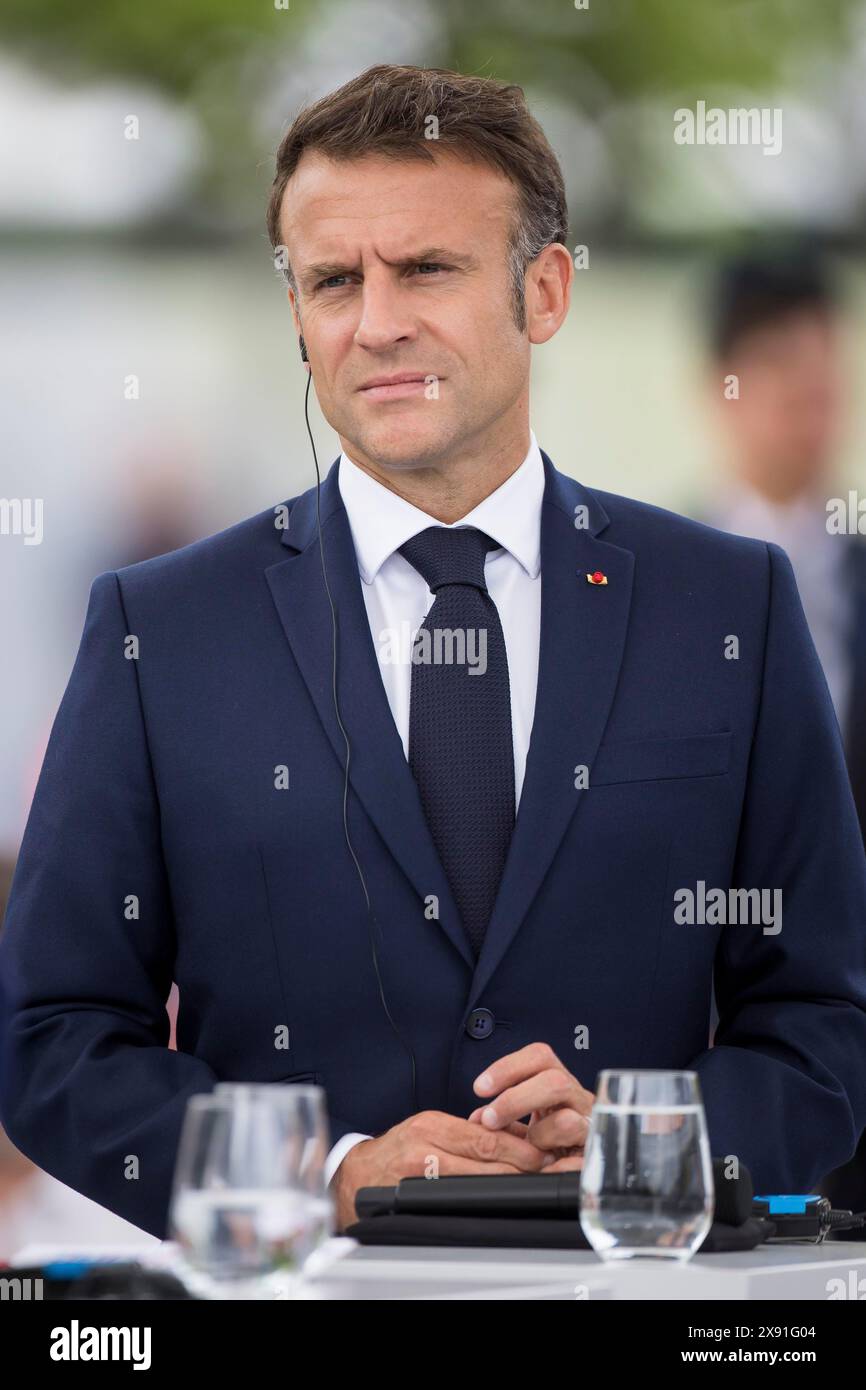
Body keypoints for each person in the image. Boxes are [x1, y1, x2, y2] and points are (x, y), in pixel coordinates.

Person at [1, 65, 865, 1240]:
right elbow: (53, 1041)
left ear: (544, 291)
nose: (376, 321)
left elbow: (825, 1016)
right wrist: (325, 1168)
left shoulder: (729, 605)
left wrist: (650, 1137)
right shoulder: (159, 631)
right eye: (331, 280)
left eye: (427, 269)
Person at [703, 248, 866, 1231]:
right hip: (724, 1033)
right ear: (721, 387)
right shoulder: (654, 583)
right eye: (782, 383)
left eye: (825, 387)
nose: (809, 415)